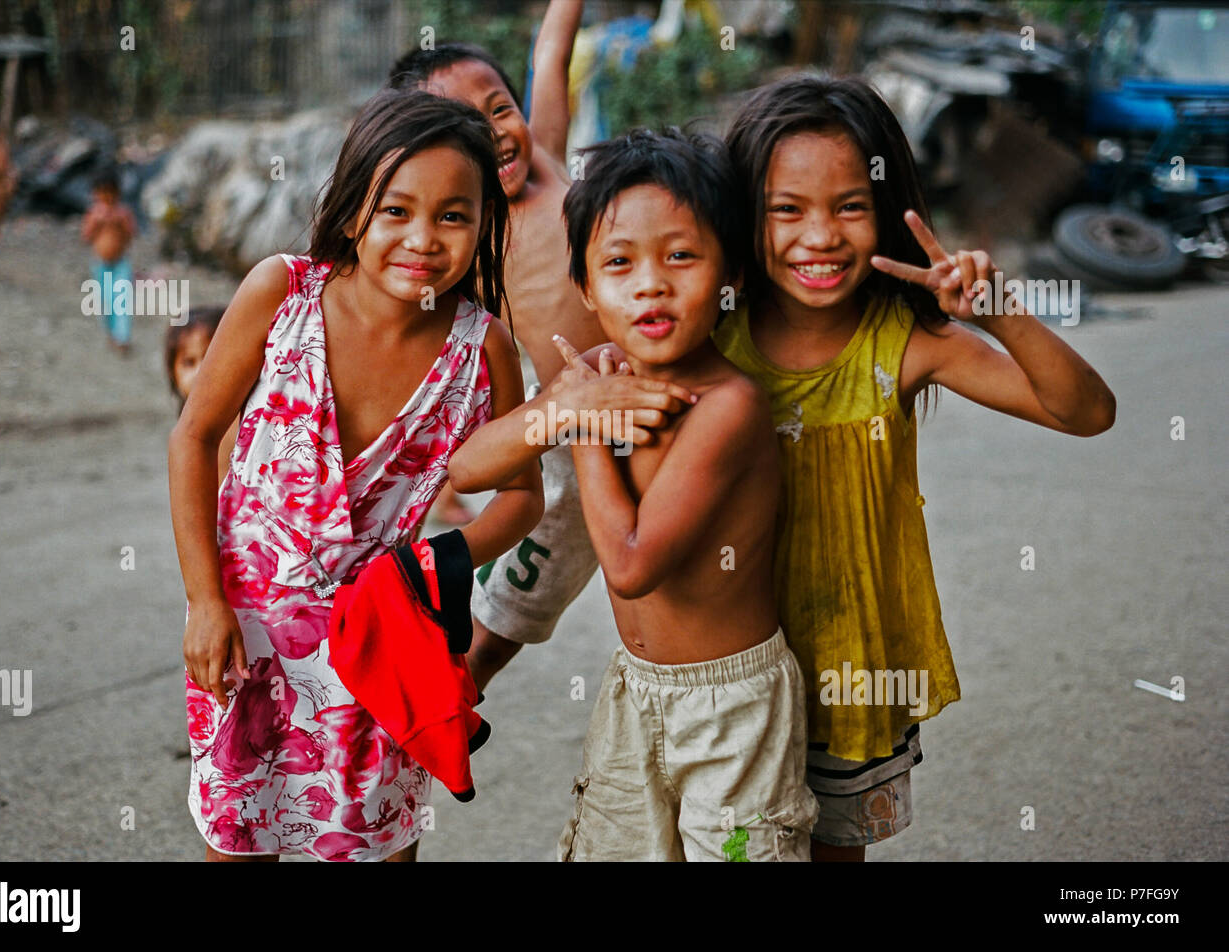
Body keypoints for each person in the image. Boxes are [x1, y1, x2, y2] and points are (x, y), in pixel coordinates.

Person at [715, 75, 1117, 861]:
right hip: (726, 670)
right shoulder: (709, 326)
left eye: (850, 206)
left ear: (891, 209)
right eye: (785, 209)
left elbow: (1085, 412)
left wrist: (995, 306)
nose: (819, 236)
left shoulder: (904, 341)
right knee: (729, 849)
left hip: (855, 668)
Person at [168, 88, 543, 863]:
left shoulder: (484, 350)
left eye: (453, 215)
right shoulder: (282, 294)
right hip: (246, 629)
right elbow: (194, 435)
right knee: (238, 840)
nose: (423, 238)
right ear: (351, 213)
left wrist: (426, 569)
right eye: (396, 210)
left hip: (379, 650)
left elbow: (522, 498)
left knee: (374, 846)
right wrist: (205, 600)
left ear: (483, 228)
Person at [453, 128, 819, 861]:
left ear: (732, 276)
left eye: (681, 256)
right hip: (636, 690)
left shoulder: (728, 405)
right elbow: (468, 468)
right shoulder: (595, 373)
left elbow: (630, 563)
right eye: (619, 263)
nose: (650, 283)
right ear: (586, 287)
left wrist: (584, 428)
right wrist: (566, 405)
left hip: (733, 708)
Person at [391, 1, 688, 690]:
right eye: (464, 128)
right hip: (567, 427)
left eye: (498, 109)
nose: (494, 133)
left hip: (648, 399)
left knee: (661, 561)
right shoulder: (468, 228)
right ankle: (450, 697)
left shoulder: (550, 158)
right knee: (511, 611)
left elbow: (551, 52)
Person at [165, 305, 237, 483]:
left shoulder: (240, 421)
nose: (200, 372)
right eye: (189, 362)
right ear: (172, 372)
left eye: (210, 358)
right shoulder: (186, 425)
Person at [81, 169, 137, 355]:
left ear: (117, 192)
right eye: (101, 193)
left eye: (109, 192)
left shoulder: (123, 212)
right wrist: (97, 223)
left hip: (120, 263)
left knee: (121, 300)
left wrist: (119, 223)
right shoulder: (93, 213)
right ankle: (112, 334)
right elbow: (86, 237)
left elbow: (131, 233)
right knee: (105, 301)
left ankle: (122, 337)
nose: (106, 197)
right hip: (101, 264)